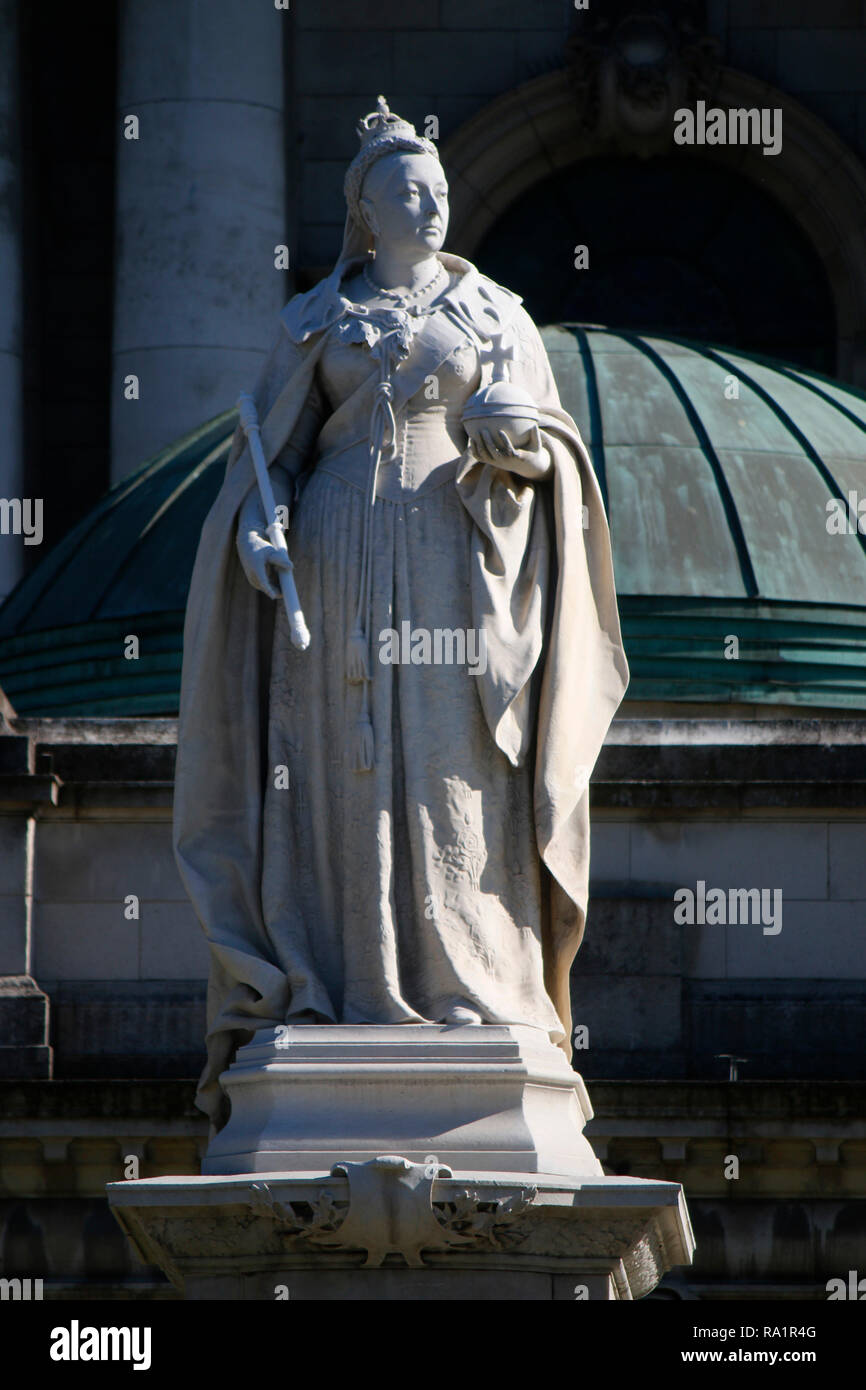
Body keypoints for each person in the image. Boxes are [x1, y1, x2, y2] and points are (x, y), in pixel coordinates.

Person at [173, 99, 629, 1129]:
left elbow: (551, 449)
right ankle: (334, 984)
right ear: (364, 213)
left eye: (436, 187)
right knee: (338, 767)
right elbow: (272, 455)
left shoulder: (495, 314)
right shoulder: (313, 320)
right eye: (403, 189)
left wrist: (524, 448)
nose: (427, 201)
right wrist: (258, 524)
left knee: (450, 764)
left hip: (452, 558)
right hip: (331, 562)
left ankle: (471, 984)